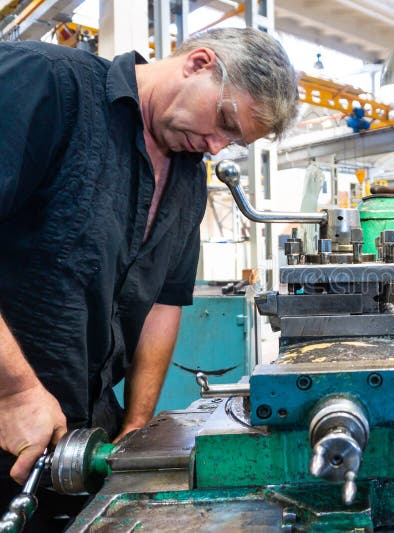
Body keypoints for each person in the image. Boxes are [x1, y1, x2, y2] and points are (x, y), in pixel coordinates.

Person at [0, 27, 298, 527]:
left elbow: (163, 301)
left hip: (77, 434)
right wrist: (14, 392)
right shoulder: (45, 84)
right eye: (223, 122)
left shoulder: (188, 179)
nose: (215, 145)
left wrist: (138, 425)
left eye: (233, 140)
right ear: (199, 62)